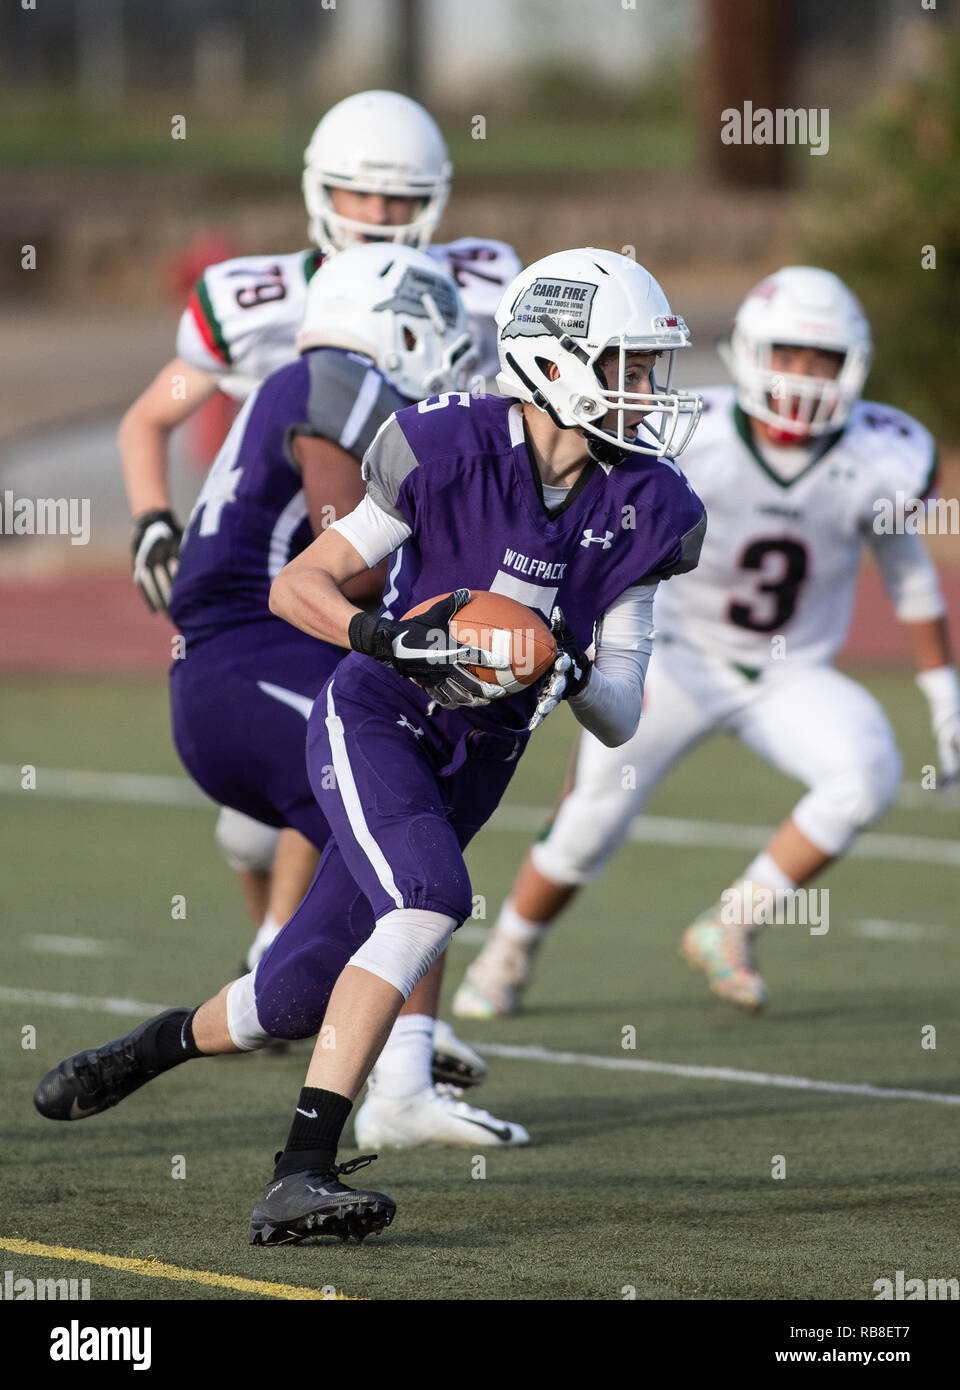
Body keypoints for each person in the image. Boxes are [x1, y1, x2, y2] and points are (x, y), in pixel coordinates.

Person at [35, 247, 706, 1243]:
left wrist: (559, 667)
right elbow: (298, 586)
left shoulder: (650, 507)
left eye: (649, 367)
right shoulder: (442, 447)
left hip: (479, 760)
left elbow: (619, 710)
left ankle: (151, 1046)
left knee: (292, 997)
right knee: (431, 898)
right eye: (627, 365)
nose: (646, 391)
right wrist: (395, 638)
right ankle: (298, 1175)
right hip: (376, 712)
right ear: (556, 364)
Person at [452, 265, 960, 1019]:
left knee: (868, 769)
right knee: (590, 821)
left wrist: (943, 693)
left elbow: (911, 576)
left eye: (820, 361)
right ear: (751, 352)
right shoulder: (694, 433)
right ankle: (511, 949)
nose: (802, 377)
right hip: (675, 657)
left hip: (792, 671)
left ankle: (732, 924)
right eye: (788, 355)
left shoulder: (881, 454)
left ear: (851, 365)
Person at [119, 90, 522, 963]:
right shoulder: (256, 303)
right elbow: (150, 416)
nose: (379, 218)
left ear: (438, 200)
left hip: (389, 555)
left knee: (364, 761)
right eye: (359, 195)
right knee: (256, 829)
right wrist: (154, 519)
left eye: (402, 200)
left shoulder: (476, 286)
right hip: (290, 565)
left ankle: (294, 967)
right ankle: (294, 965)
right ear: (317, 193)